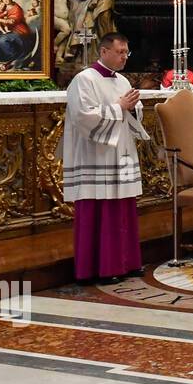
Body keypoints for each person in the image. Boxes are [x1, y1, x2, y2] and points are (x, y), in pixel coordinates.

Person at [62, 33, 147, 284]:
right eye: (120, 52)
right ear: (103, 51)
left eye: (126, 53)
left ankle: (126, 262)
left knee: (122, 208)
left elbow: (131, 114)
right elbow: (83, 117)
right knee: (99, 210)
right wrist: (119, 107)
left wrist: (132, 108)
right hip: (95, 155)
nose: (124, 57)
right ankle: (96, 268)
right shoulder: (83, 80)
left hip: (119, 152)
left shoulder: (122, 80)